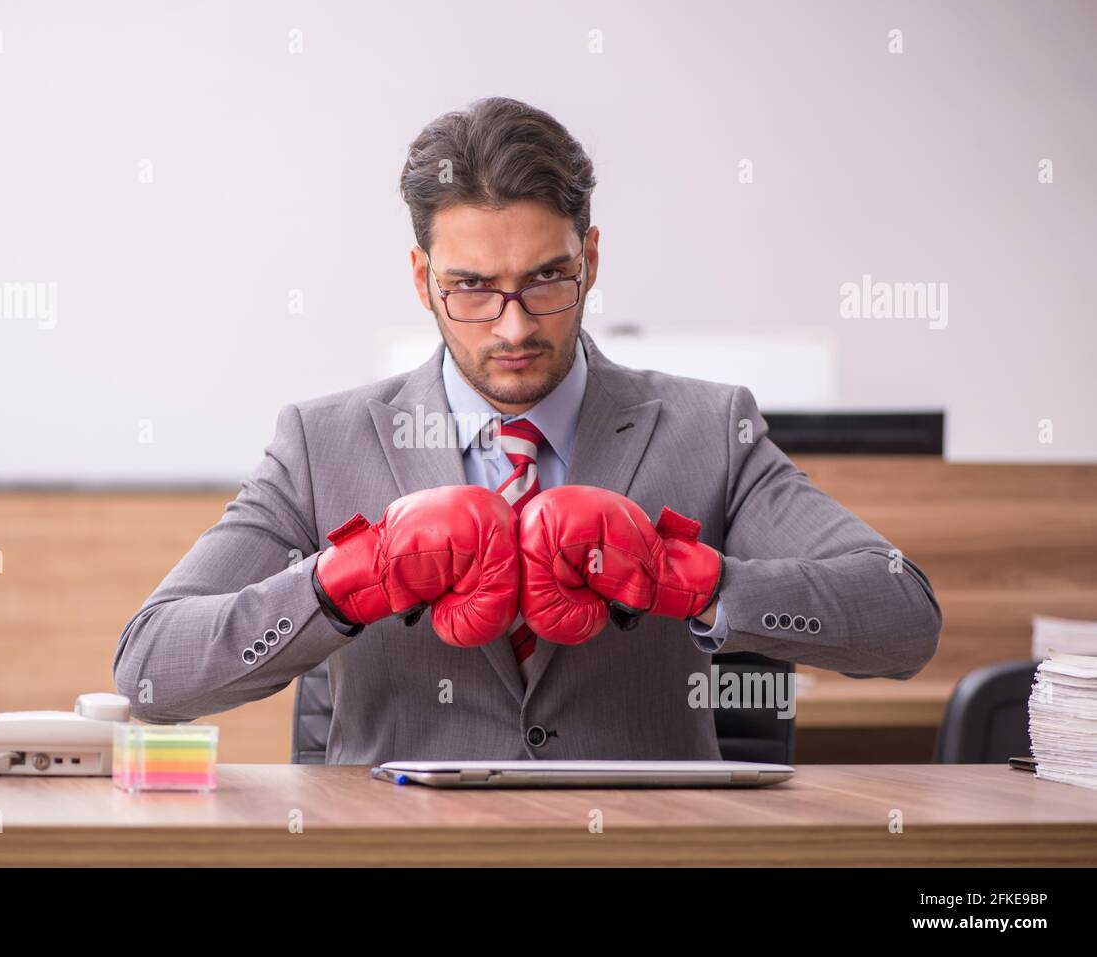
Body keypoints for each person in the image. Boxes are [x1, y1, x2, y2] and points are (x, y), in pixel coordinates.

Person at [112, 96, 941, 764]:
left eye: (546, 279)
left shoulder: (708, 427)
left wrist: (689, 577)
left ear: (592, 259)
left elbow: (905, 617)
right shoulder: (323, 442)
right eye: (472, 288)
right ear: (421, 279)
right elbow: (151, 672)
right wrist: (342, 580)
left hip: (643, 854)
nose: (512, 329)